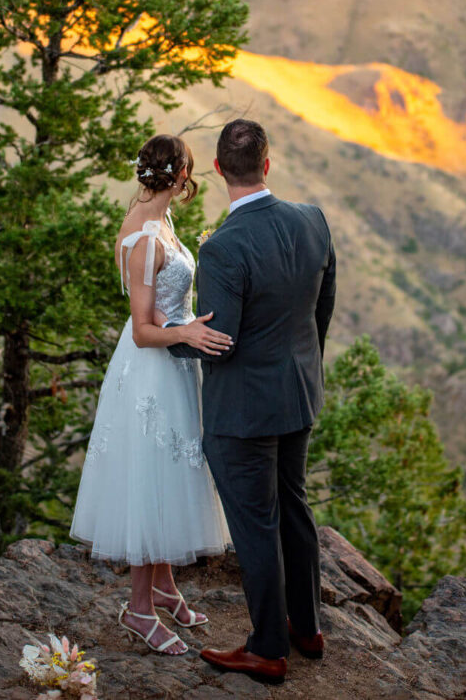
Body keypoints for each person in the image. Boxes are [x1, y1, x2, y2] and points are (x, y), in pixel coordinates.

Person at [169, 118, 336, 685]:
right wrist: (303, 365)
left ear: (218, 170)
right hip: (299, 392)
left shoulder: (222, 247)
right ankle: (307, 628)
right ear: (267, 165)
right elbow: (322, 312)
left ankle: (267, 648)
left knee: (257, 525)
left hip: (243, 413)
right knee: (294, 505)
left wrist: (175, 343)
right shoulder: (313, 220)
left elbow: (220, 344)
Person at [70, 134, 232, 656]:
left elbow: (158, 304)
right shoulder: (145, 234)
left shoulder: (157, 219)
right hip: (150, 369)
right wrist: (184, 332)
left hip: (172, 365)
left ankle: (163, 586)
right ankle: (139, 609)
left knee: (169, 473)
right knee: (151, 476)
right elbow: (141, 329)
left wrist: (181, 323)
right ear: (181, 174)